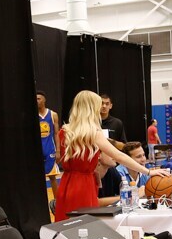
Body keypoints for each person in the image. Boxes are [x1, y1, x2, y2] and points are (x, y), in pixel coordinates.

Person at [55, 91, 166, 221]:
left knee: (67, 226)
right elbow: (118, 155)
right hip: (84, 187)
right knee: (85, 227)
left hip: (66, 184)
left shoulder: (64, 131)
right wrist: (148, 171)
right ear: (92, 108)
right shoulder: (93, 133)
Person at [37, 91, 61, 195]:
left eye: (39, 99)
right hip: (38, 149)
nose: (37, 101)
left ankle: (58, 202)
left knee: (52, 177)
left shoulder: (53, 114)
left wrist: (58, 151)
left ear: (44, 100)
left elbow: (56, 134)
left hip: (50, 148)